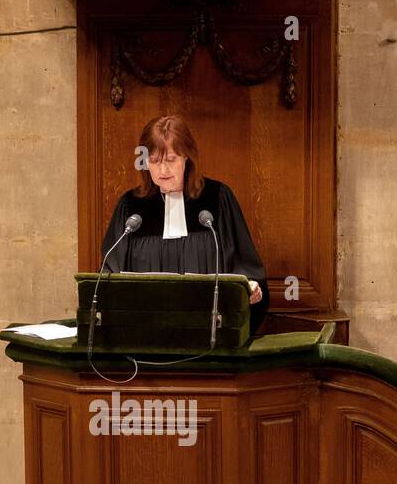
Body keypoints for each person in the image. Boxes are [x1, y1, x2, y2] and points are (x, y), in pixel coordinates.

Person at [101, 114, 270, 335]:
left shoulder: (217, 200)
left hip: (210, 338)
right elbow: (109, 276)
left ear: (186, 157)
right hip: (145, 340)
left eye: (170, 159)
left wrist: (249, 287)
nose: (163, 170)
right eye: (154, 161)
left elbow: (246, 268)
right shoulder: (131, 208)